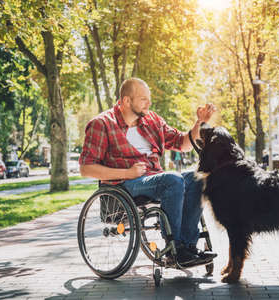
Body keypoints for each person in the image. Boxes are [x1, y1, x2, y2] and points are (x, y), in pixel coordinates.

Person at [79, 77, 217, 267]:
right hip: (125, 183)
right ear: (127, 101)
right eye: (143, 99)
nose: (149, 103)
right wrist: (127, 173)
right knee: (173, 180)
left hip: (154, 178)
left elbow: (182, 143)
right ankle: (174, 247)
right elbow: (86, 168)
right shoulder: (102, 124)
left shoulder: (152, 120)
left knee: (199, 179)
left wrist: (199, 122)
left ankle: (187, 247)